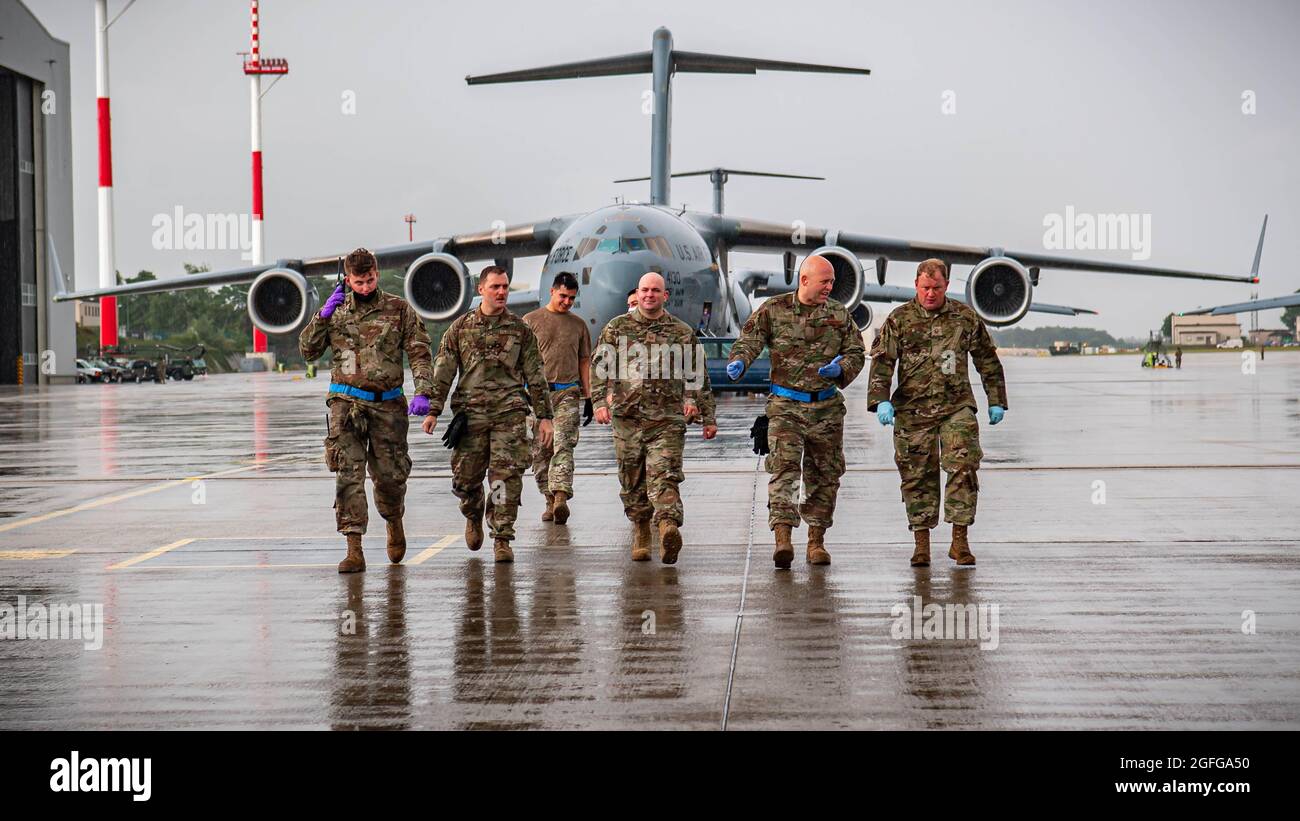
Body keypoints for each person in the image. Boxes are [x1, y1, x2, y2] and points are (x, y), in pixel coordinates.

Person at [300, 247, 435, 573]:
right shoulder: (335, 311)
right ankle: (354, 546)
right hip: (346, 404)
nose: (364, 286)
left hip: (388, 405)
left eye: (370, 279)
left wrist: (424, 391)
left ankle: (393, 519)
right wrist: (322, 317)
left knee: (389, 477)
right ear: (348, 279)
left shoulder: (398, 310)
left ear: (377, 274)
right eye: (358, 281)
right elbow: (307, 351)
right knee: (349, 474)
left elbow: (419, 352)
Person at [726, 255, 866, 568]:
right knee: (784, 471)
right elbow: (750, 339)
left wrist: (841, 368)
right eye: (824, 281)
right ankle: (783, 539)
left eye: (831, 282)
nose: (830, 287)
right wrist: (740, 361)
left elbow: (857, 352)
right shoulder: (774, 310)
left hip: (826, 407)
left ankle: (816, 542)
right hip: (785, 406)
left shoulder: (839, 315)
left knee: (824, 475)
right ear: (804, 280)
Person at [868, 258, 1006, 568]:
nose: (931, 294)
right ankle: (921, 544)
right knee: (917, 475)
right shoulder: (899, 319)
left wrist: (995, 399)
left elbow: (987, 360)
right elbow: (882, 362)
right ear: (916, 286)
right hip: (912, 410)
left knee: (963, 467)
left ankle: (960, 541)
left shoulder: (964, 318)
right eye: (926, 288)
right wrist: (880, 400)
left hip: (956, 406)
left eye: (937, 288)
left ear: (946, 286)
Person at [422, 266, 553, 563]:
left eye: (505, 286)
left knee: (505, 478)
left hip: (510, 413)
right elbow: (443, 371)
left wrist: (545, 416)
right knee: (465, 480)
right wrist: (433, 410)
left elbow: (536, 375)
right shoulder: (460, 328)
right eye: (495, 286)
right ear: (481, 289)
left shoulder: (520, 330)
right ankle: (472, 511)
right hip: (470, 416)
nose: (502, 292)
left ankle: (502, 537)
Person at [592, 272, 717, 563]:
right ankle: (641, 530)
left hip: (667, 421)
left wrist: (708, 417)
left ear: (665, 296)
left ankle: (667, 526)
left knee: (665, 476)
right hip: (627, 420)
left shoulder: (682, 332)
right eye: (645, 290)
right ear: (638, 293)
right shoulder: (617, 328)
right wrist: (599, 402)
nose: (649, 295)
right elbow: (600, 367)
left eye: (655, 291)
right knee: (631, 480)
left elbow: (698, 376)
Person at [523, 272, 593, 524]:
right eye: (563, 296)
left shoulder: (578, 325)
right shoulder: (530, 321)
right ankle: (549, 499)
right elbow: (519, 361)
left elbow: (584, 361)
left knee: (564, 444)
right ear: (552, 291)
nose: (566, 302)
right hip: (536, 397)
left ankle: (561, 496)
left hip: (568, 392)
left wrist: (589, 395)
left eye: (572, 298)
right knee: (540, 452)